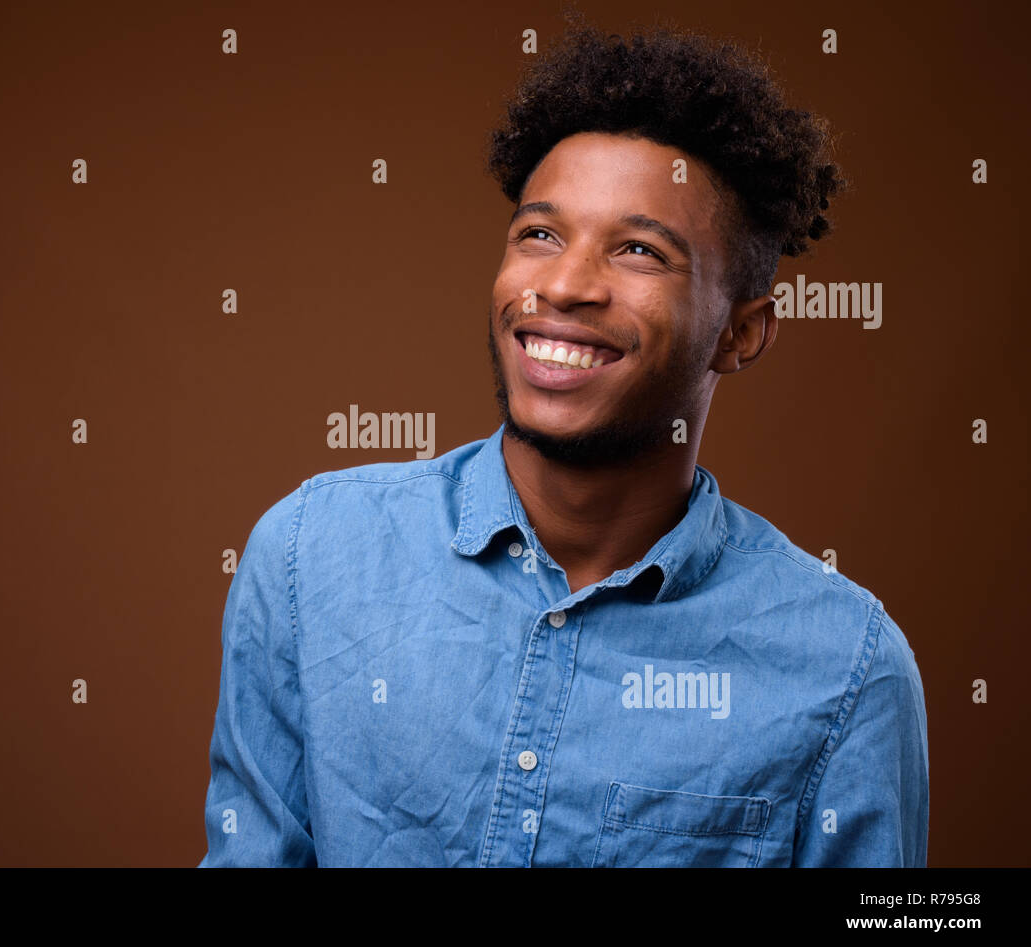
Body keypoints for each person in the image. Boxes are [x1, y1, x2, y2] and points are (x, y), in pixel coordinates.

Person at [198, 16, 927, 867]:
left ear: (741, 333)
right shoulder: (307, 559)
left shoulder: (847, 669)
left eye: (639, 250)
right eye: (539, 233)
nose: (565, 285)